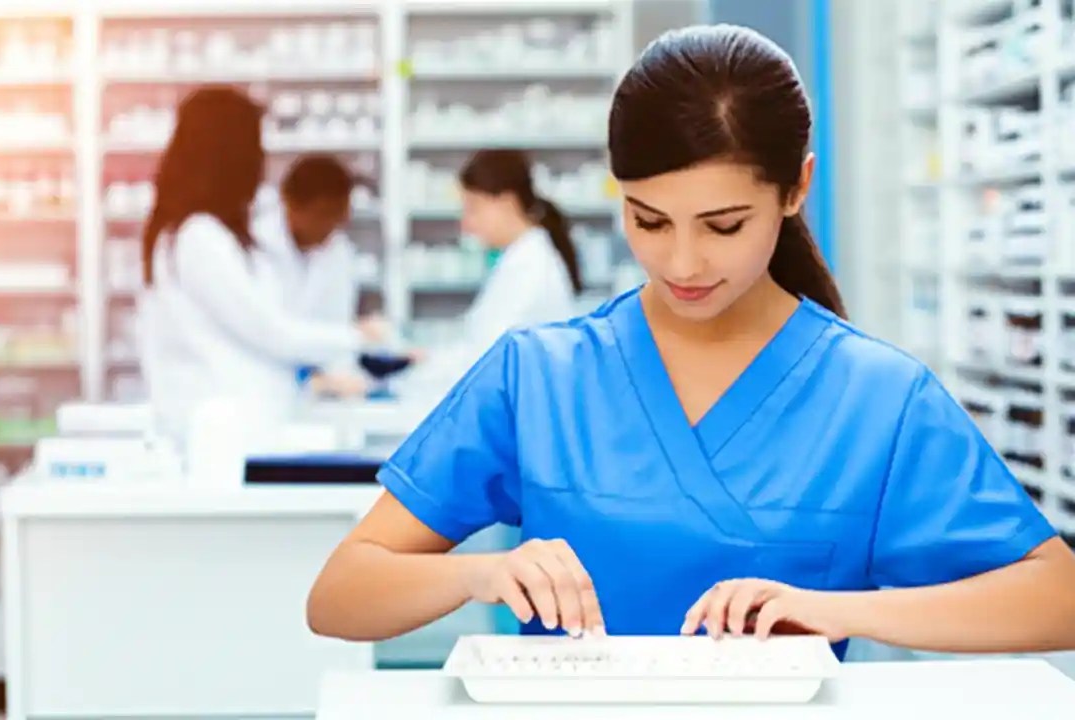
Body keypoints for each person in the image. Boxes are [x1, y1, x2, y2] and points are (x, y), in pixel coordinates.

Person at [306, 25, 1075, 655]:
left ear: (796, 188)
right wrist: (479, 575)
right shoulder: (539, 376)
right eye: (649, 220)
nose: (682, 263)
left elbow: (1059, 598)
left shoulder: (876, 397)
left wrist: (840, 612)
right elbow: (339, 596)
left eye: (724, 226)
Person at [138, 86, 385, 453]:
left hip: (246, 429)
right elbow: (271, 332)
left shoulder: (211, 234)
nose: (260, 163)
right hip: (227, 435)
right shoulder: (199, 237)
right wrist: (358, 336)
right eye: (255, 149)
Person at [398, 149, 582, 394]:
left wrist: (419, 369)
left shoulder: (529, 267)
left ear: (507, 203)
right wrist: (427, 360)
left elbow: (485, 360)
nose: (466, 224)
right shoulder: (520, 258)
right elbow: (480, 347)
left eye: (473, 208)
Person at [254, 154, 368, 398]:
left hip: (319, 394)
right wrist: (306, 381)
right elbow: (263, 337)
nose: (331, 228)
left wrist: (337, 379)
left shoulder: (338, 251)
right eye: (324, 215)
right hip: (264, 391)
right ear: (290, 204)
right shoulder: (257, 248)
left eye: (339, 218)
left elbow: (337, 326)